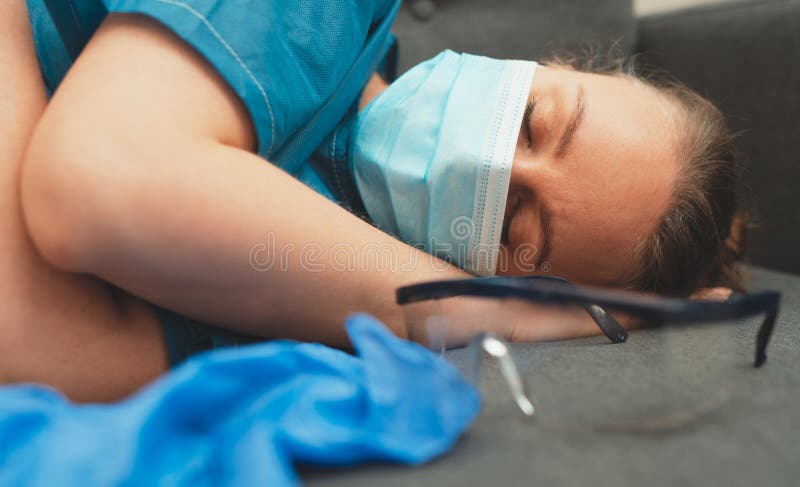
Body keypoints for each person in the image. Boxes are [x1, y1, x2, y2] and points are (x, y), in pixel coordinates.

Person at [1, 0, 744, 401]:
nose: (487, 159)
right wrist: (438, 306)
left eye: (516, 222)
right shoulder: (330, 14)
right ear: (558, 63)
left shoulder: (324, 306)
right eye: (532, 120)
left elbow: (39, 349)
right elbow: (96, 178)